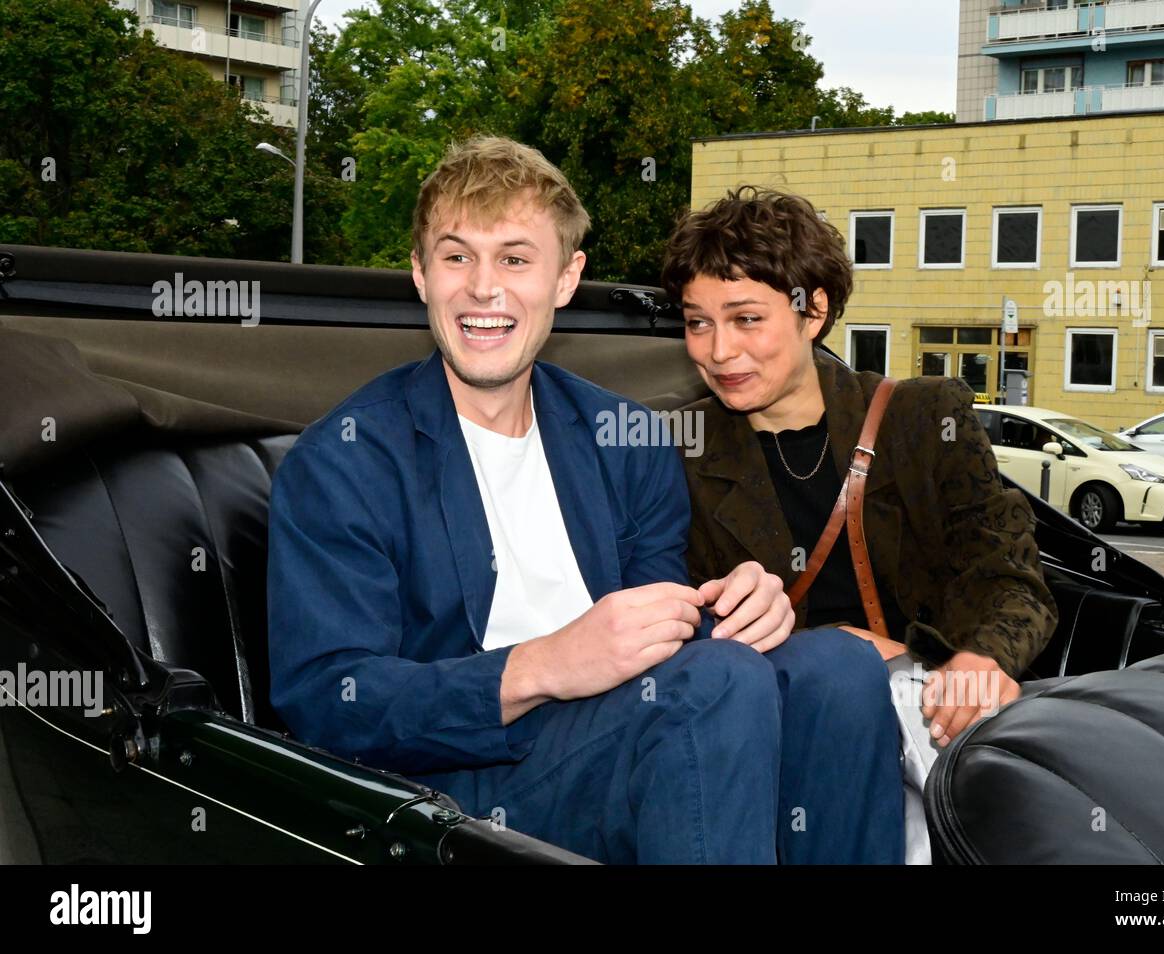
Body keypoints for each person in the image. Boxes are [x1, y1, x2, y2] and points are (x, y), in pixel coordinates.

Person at [267, 137, 904, 864]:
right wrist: (541, 666)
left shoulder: (623, 437)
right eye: (456, 256)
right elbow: (329, 698)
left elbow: (661, 625)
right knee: (711, 686)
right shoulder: (345, 460)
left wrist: (732, 609)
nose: (483, 287)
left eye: (514, 258)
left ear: (566, 279)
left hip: (628, 727)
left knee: (840, 672)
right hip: (453, 787)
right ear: (419, 273)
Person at [660, 185, 1059, 750]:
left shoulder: (922, 419)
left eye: (746, 318)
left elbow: (1011, 580)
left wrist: (978, 661)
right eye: (698, 323)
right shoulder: (679, 446)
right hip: (779, 735)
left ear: (813, 311)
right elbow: (678, 618)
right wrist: (831, 649)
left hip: (933, 723)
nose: (719, 350)